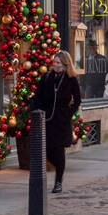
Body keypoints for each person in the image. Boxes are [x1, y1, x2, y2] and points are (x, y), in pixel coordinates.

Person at [29, 52, 82, 194]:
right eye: (54, 62)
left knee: (59, 151)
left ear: (65, 64)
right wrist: (37, 109)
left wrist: (68, 113)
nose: (55, 65)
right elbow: (38, 96)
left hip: (61, 120)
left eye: (58, 63)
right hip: (47, 119)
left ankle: (58, 181)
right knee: (47, 150)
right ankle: (57, 171)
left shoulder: (71, 79)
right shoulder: (47, 77)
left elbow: (77, 100)